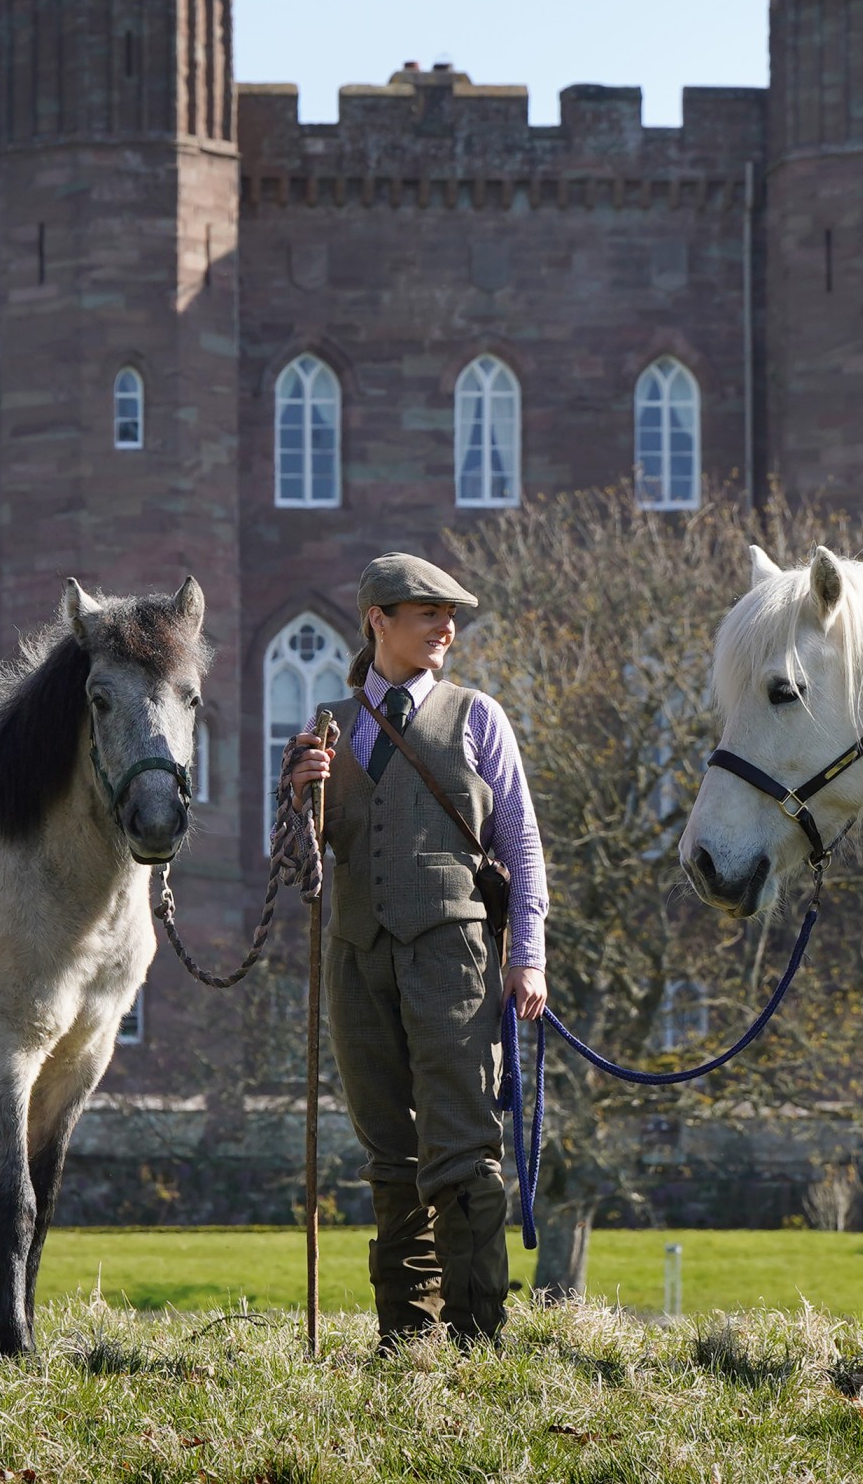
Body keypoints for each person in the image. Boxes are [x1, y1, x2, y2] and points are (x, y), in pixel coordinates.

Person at [284, 552, 548, 1346]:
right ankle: (407, 1337)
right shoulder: (328, 725)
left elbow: (523, 845)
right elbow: (302, 866)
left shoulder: (477, 716)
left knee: (464, 1149)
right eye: (427, 611)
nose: (446, 626)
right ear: (378, 621)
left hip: (456, 960)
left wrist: (526, 954)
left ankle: (477, 1339)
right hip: (355, 961)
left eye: (450, 614)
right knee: (389, 1156)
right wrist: (298, 794)